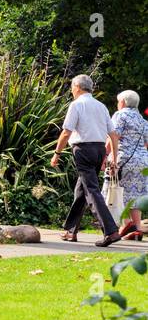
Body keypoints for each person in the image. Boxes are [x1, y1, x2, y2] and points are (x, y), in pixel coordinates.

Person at [51, 74, 120, 246]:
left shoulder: (76, 105)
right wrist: (113, 157)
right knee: (81, 190)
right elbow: (113, 135)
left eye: (72, 87)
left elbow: (66, 132)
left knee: (91, 190)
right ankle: (70, 231)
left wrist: (57, 153)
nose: (72, 90)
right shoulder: (101, 106)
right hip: (99, 150)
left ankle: (111, 231)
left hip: (83, 150)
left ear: (78, 87)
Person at [109, 90, 148, 241]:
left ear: (123, 102)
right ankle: (137, 230)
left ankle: (125, 226)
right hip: (142, 161)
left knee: (120, 193)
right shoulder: (143, 120)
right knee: (136, 194)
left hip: (124, 159)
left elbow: (113, 137)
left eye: (119, 101)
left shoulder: (120, 115)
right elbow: (146, 143)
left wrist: (107, 156)